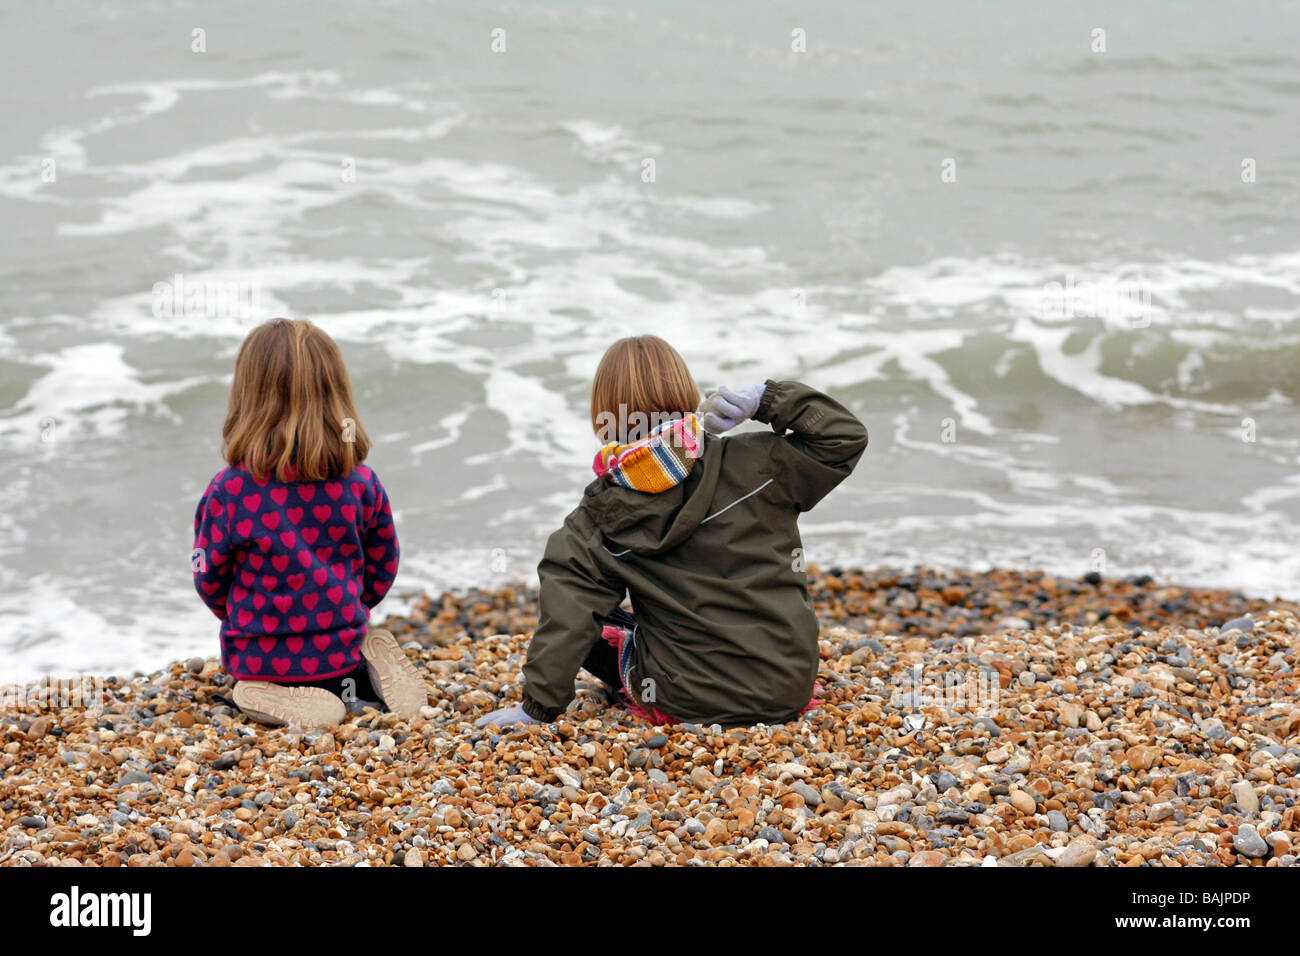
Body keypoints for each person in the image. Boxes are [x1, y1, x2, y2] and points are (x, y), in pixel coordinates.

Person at [478, 334, 867, 729]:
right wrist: (765, 400)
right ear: (686, 393)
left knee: (572, 604)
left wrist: (536, 710)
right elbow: (843, 438)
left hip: (687, 702)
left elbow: (567, 615)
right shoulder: (758, 462)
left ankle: (638, 690)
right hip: (787, 688)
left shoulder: (597, 516)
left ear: (604, 416)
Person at [191, 318, 426, 727]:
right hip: (342, 649)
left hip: (259, 657)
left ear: (247, 396)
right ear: (337, 394)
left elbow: (209, 576)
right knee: (351, 655)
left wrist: (242, 616)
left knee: (252, 683)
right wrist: (350, 608)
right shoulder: (360, 482)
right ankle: (367, 665)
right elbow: (384, 563)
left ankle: (269, 693)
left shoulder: (229, 492)